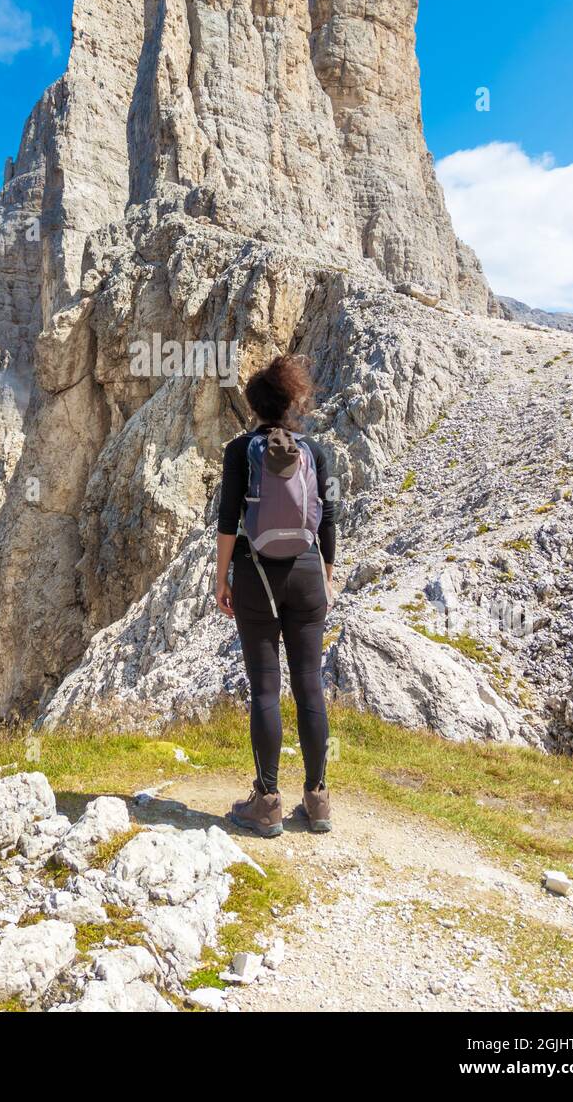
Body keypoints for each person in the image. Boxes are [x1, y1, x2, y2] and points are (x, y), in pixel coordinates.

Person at [215, 354, 335, 837]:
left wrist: (221, 577)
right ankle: (318, 799)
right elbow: (328, 520)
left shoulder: (240, 450)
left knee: (265, 687)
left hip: (256, 573)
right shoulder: (315, 451)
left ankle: (266, 802)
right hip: (307, 573)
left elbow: (228, 520)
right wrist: (324, 575)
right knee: (309, 684)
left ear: (256, 406)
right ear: (292, 403)